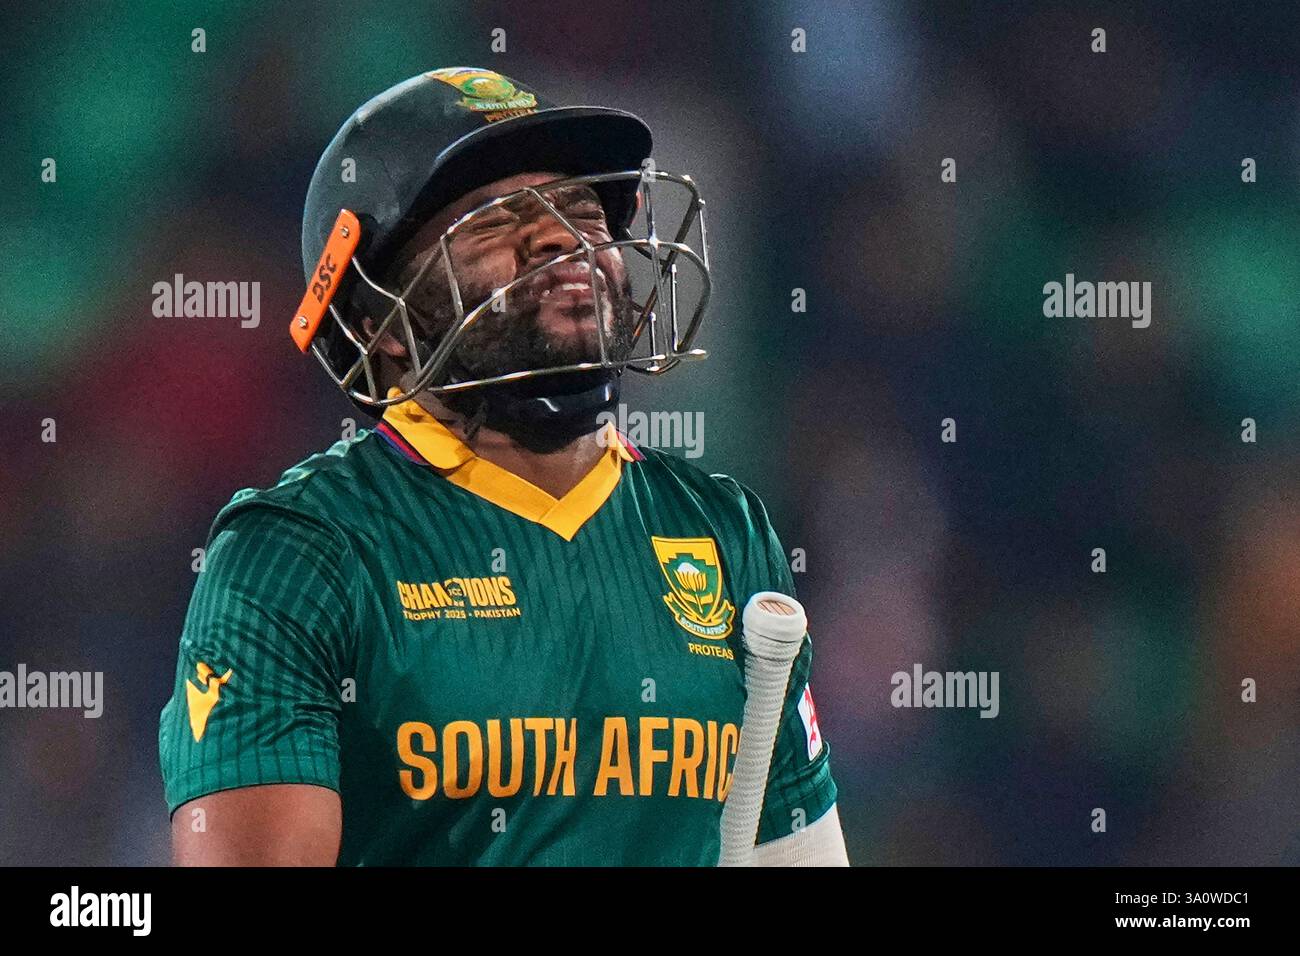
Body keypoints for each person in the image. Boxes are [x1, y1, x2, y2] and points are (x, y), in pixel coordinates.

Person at [159, 67, 848, 866]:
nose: (563, 238)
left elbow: (799, 854)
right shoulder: (297, 556)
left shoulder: (726, 534)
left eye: (582, 210)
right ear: (379, 321)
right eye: (496, 223)